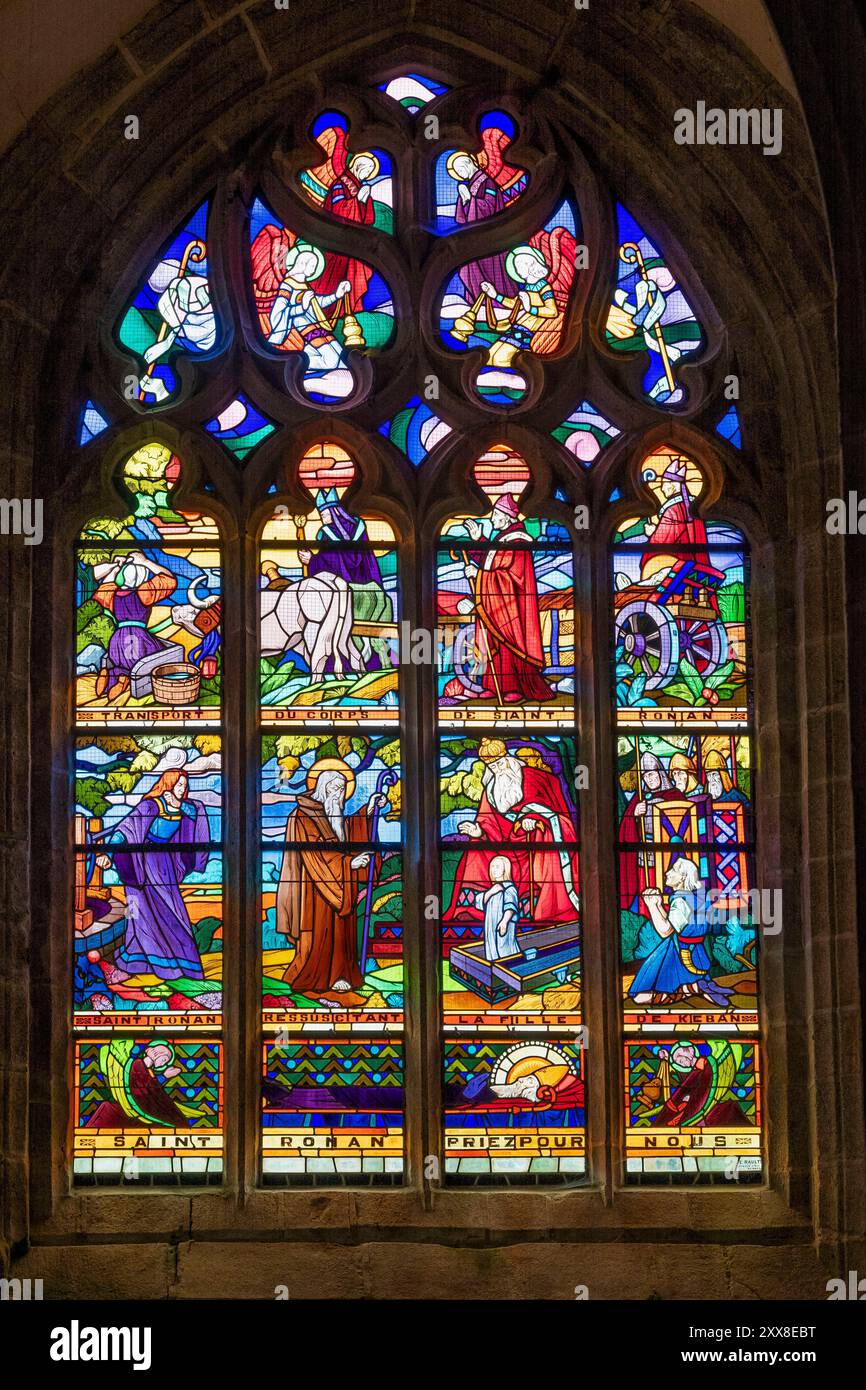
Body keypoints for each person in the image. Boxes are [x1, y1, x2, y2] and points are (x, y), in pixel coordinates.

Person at [275, 761, 385, 996]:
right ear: (323, 789)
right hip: (314, 888)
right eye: (335, 789)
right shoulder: (302, 815)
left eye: (343, 790)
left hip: (341, 884)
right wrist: (348, 863)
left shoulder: (332, 814)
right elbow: (316, 853)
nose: (340, 795)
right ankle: (316, 977)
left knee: (341, 931)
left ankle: (341, 973)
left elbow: (345, 831)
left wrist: (368, 811)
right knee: (320, 931)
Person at [444, 739, 578, 924]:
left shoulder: (534, 777)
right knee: (474, 852)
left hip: (534, 841)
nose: (498, 769)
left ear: (507, 758)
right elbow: (487, 821)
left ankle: (545, 913)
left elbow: (556, 813)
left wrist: (536, 821)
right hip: (503, 842)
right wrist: (479, 831)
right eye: (492, 766)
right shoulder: (490, 789)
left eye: (499, 763)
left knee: (547, 850)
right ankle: (472, 911)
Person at [95, 769, 209, 982]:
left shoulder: (186, 808)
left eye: (185, 785)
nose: (183, 789)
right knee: (137, 912)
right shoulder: (149, 806)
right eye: (178, 785)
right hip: (140, 865)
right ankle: (139, 959)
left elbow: (196, 815)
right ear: (167, 784)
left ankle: (181, 962)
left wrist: (179, 805)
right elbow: (124, 831)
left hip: (165, 866)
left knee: (173, 911)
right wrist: (108, 854)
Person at [461, 493, 556, 703]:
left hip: (512, 609)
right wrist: (479, 539)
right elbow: (491, 563)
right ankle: (492, 686)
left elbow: (509, 578)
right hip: (498, 605)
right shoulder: (504, 539)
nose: (493, 519)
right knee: (495, 640)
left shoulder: (518, 542)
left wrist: (478, 575)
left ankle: (514, 688)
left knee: (509, 644)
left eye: (496, 514)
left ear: (506, 517)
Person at [629, 857, 732, 1009]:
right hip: (696, 952)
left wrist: (651, 906)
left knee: (639, 997)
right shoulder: (698, 898)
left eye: (673, 870)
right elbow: (675, 925)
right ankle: (698, 986)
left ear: (683, 877)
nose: (667, 873)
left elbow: (666, 931)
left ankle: (692, 989)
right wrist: (658, 905)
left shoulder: (679, 901)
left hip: (678, 954)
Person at [91, 551, 177, 700]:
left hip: (117, 640)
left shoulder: (112, 593)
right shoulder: (144, 593)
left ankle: (108, 673)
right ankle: (124, 679)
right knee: (157, 653)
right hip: (139, 637)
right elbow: (170, 580)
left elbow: (102, 591)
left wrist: (117, 568)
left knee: (121, 662)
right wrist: (146, 562)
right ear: (143, 578)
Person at [477, 856, 519, 961]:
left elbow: (511, 906)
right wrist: (491, 891)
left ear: (505, 869)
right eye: (492, 867)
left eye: (498, 867)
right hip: (490, 925)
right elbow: (479, 901)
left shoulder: (509, 888)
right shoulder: (493, 889)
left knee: (505, 949)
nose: (494, 869)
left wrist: (504, 921)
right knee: (492, 949)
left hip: (503, 925)